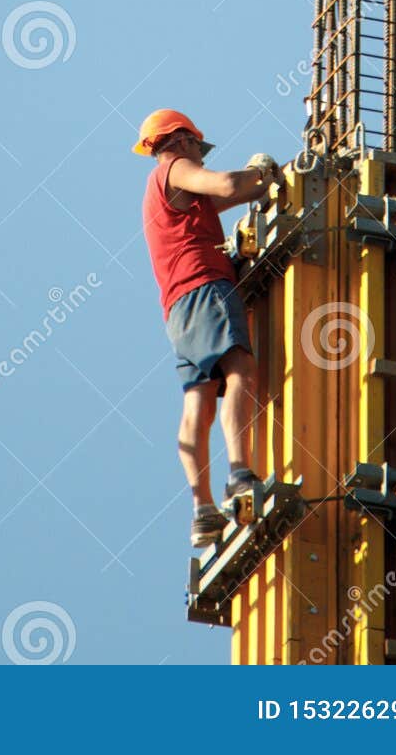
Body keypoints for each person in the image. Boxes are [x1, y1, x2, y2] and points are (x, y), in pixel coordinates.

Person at [135, 108, 281, 548]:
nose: (200, 155)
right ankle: (240, 474)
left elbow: (222, 199)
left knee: (198, 401)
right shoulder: (174, 170)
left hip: (178, 310)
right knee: (241, 372)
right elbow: (229, 186)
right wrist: (260, 171)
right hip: (205, 287)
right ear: (180, 141)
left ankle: (202, 511)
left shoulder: (167, 199)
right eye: (199, 146)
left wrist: (261, 183)